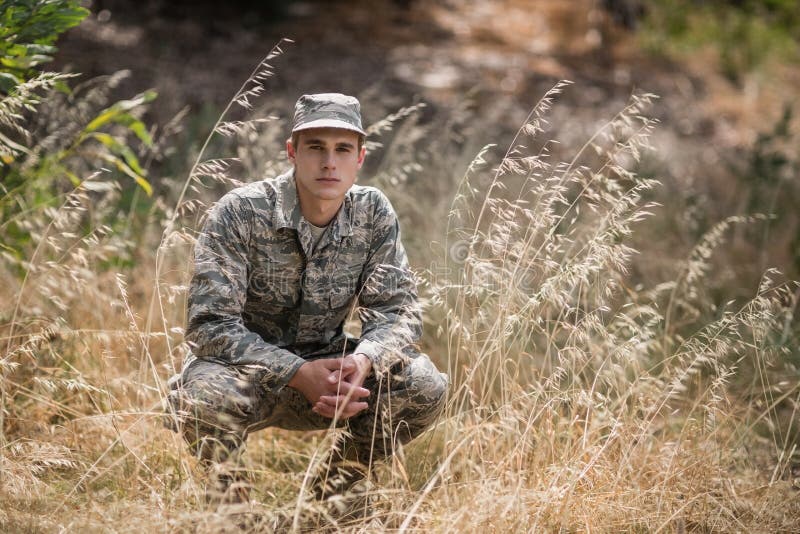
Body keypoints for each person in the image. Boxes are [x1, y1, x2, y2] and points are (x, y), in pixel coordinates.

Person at [166, 93, 448, 505]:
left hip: (336, 381)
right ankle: (233, 514)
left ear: (360, 158)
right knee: (203, 396)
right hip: (245, 375)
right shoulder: (240, 211)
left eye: (342, 150)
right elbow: (210, 327)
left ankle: (328, 501)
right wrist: (299, 373)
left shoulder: (373, 213)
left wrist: (362, 359)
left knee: (424, 384)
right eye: (315, 147)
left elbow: (398, 312)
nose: (329, 162)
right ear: (292, 153)